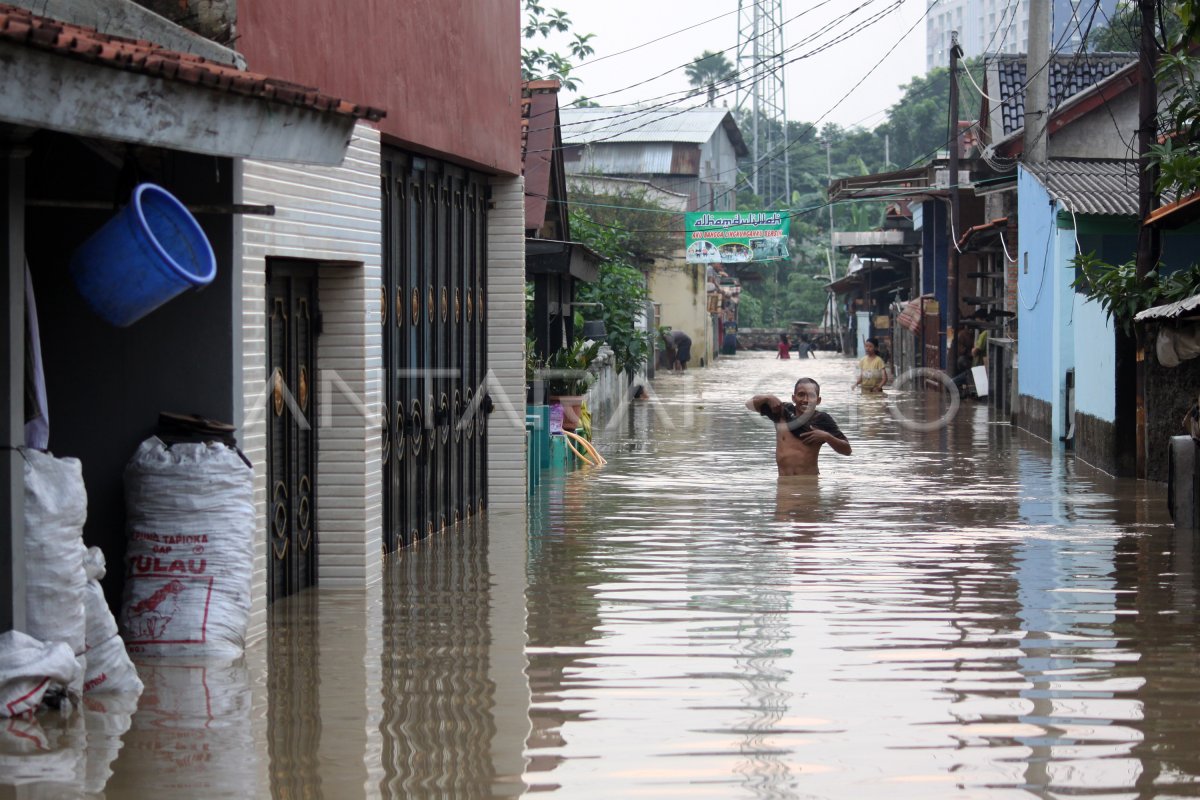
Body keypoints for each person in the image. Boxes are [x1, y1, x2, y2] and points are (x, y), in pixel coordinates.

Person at [747, 377, 852, 475]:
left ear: (818, 400)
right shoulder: (781, 411)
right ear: (794, 398)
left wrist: (826, 436)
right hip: (784, 485)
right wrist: (768, 397)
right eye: (801, 395)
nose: (805, 400)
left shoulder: (822, 419)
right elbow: (749, 404)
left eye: (811, 396)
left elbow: (847, 450)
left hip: (809, 484)